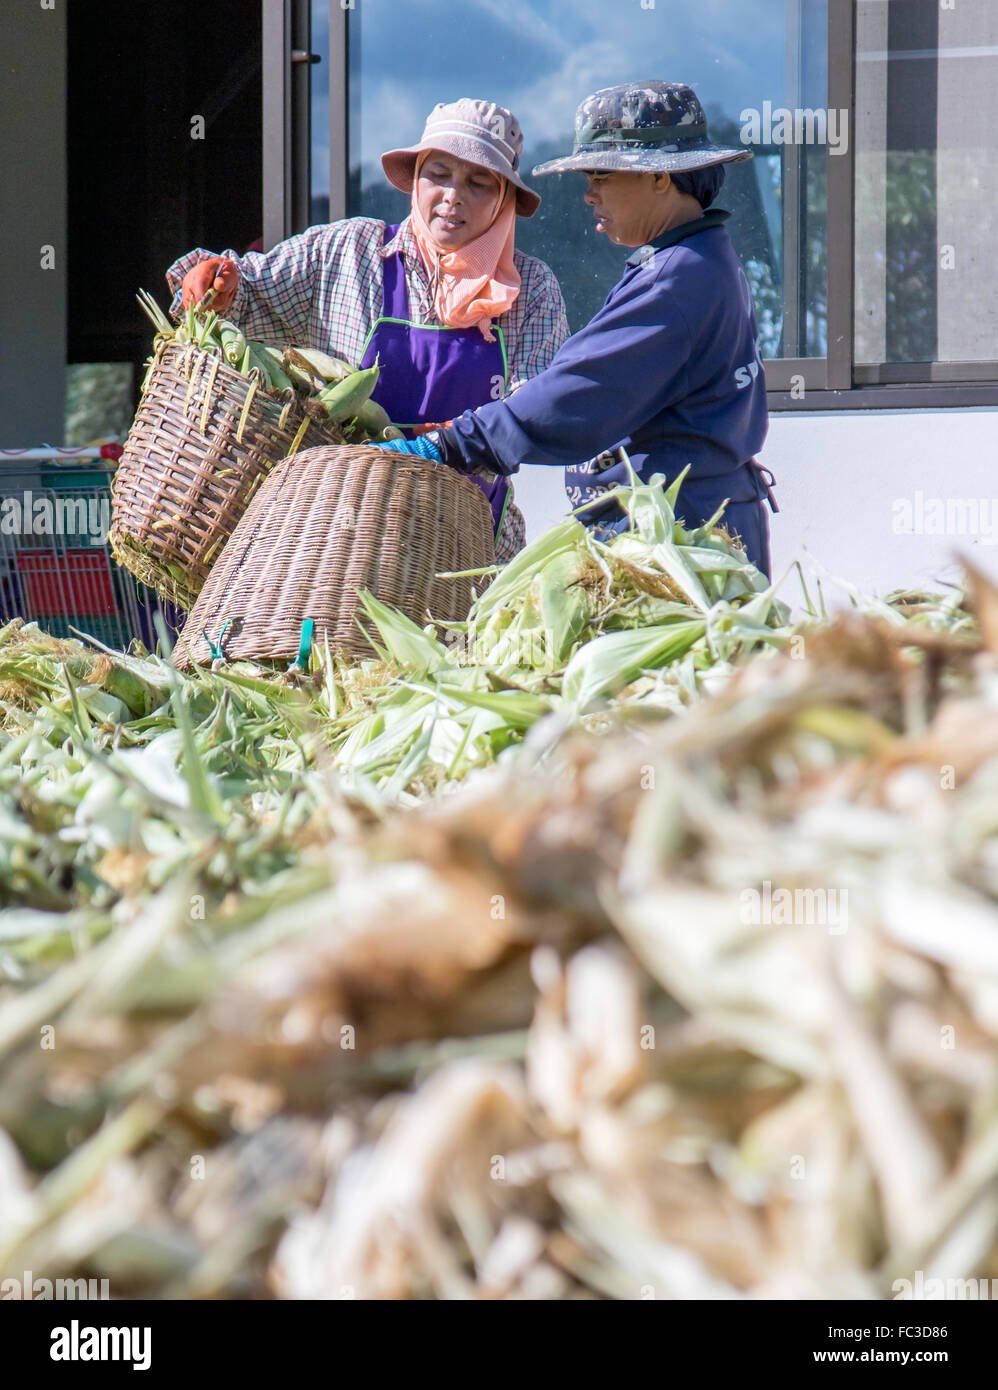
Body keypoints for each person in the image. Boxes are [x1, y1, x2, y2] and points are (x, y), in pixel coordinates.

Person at [375, 82, 777, 576]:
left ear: (659, 177)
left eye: (602, 176)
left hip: (681, 544)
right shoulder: (692, 261)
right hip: (681, 535)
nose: (589, 195)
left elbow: (578, 394)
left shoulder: (678, 278)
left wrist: (449, 445)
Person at [165, 99, 569, 562]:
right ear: (415, 178)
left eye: (479, 183)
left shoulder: (530, 291)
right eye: (438, 174)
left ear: (504, 201)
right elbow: (250, 294)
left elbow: (532, 414)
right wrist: (220, 286)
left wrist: (447, 444)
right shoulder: (348, 253)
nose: (454, 196)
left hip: (470, 546)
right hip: (337, 538)